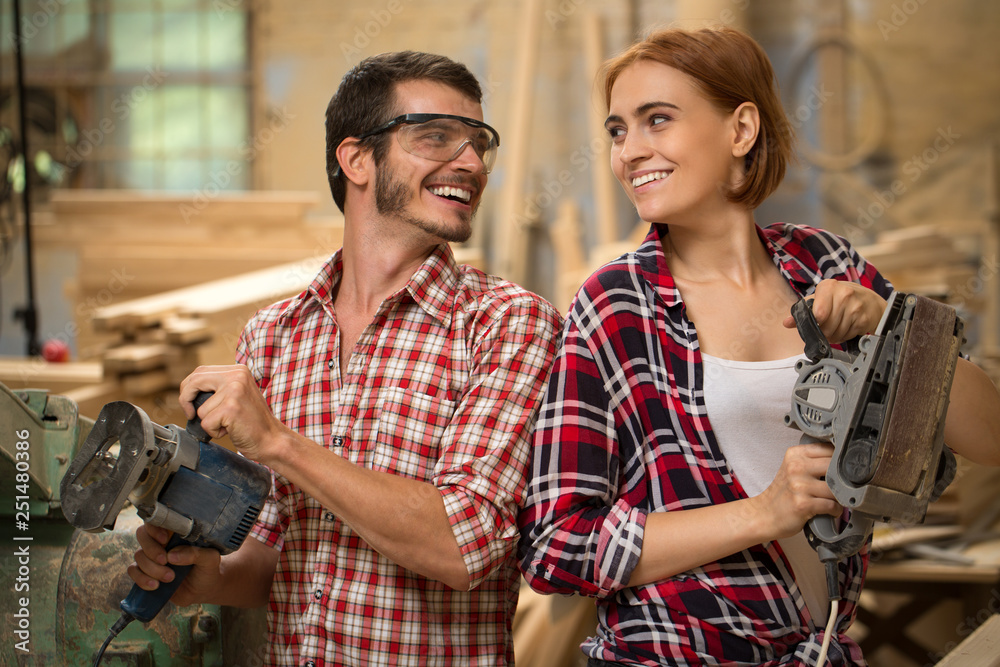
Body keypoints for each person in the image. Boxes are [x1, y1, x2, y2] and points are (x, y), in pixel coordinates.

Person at [517, 25, 1000, 666]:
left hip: (818, 651)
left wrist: (889, 321)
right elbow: (557, 546)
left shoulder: (824, 261)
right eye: (617, 130)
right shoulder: (613, 307)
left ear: (741, 130)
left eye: (657, 119)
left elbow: (989, 436)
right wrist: (764, 513)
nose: (631, 150)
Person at [128, 50, 562, 666]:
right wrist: (217, 577)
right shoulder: (273, 337)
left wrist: (278, 441)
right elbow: (284, 546)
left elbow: (466, 544)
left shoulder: (506, 324)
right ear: (356, 159)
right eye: (436, 136)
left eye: (478, 143)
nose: (470, 163)